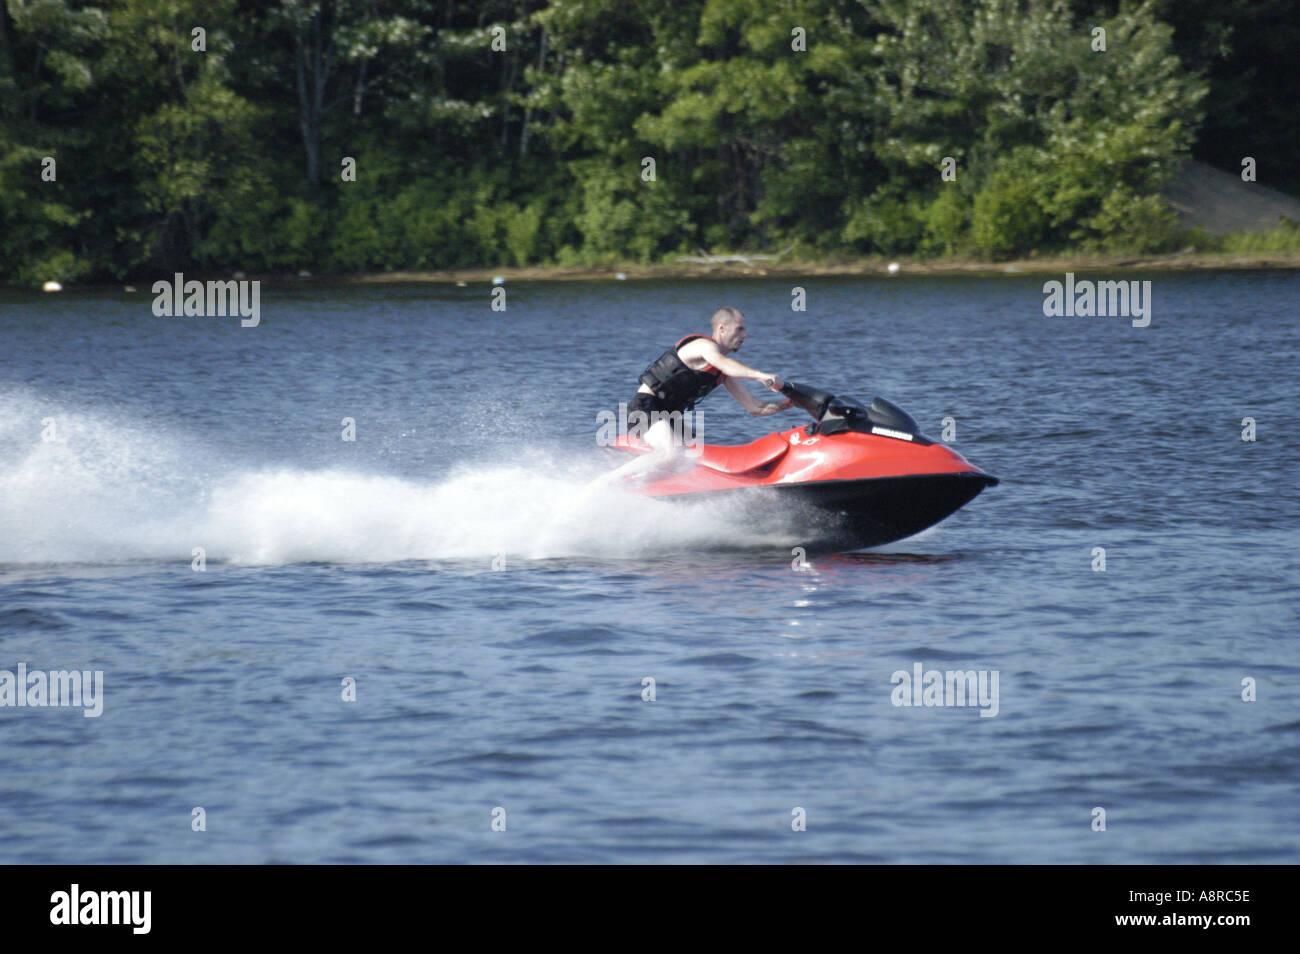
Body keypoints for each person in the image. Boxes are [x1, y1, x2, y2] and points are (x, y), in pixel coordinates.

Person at [594, 306, 792, 487]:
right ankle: (605, 482)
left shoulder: (721, 371)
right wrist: (761, 376)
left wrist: (791, 403)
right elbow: (724, 364)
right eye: (739, 329)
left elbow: (755, 408)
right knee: (670, 454)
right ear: (722, 328)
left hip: (669, 419)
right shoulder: (703, 346)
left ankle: (635, 486)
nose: (745, 335)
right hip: (645, 408)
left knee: (693, 459)